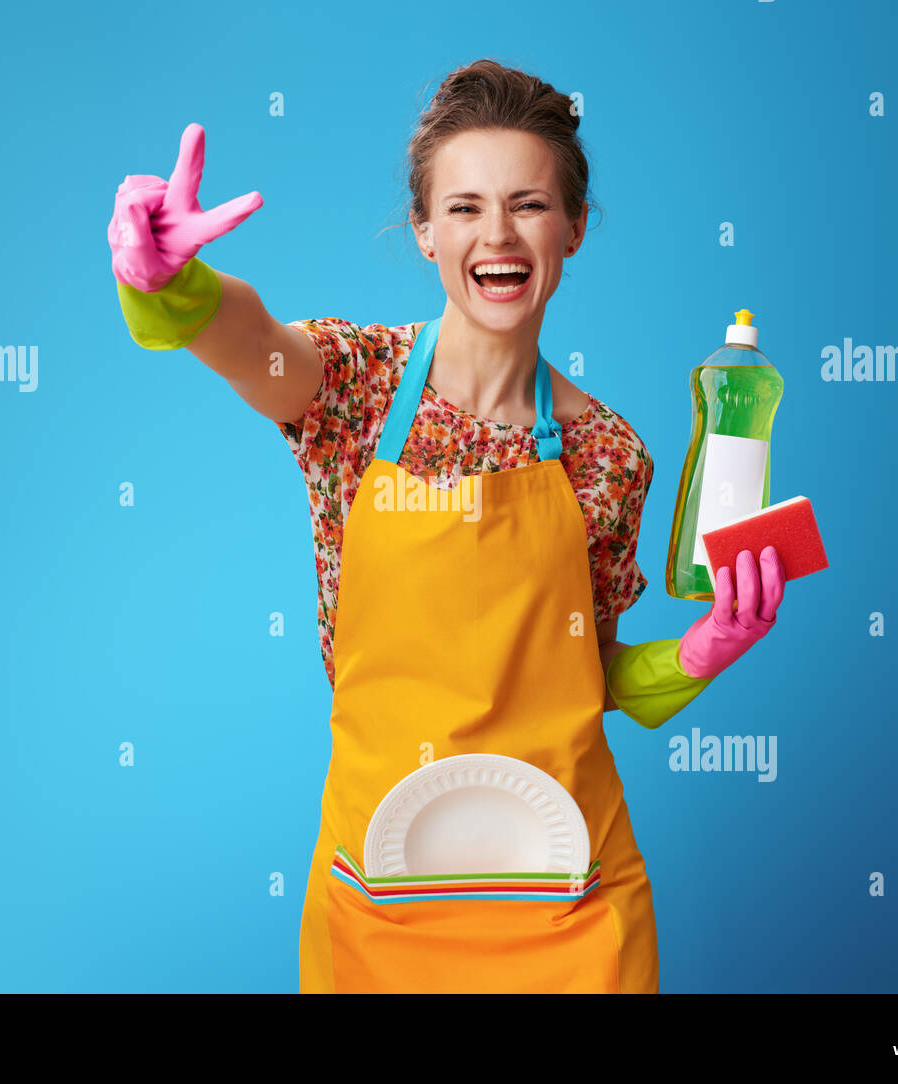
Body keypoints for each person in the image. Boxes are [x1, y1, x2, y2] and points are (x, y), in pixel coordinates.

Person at [107, 59, 786, 994]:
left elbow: (596, 676)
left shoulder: (610, 456)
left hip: (570, 903)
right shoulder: (355, 386)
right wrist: (169, 286)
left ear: (575, 229)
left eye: (529, 205)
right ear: (425, 232)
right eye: (463, 207)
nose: (496, 234)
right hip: (379, 900)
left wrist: (707, 647)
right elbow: (246, 338)